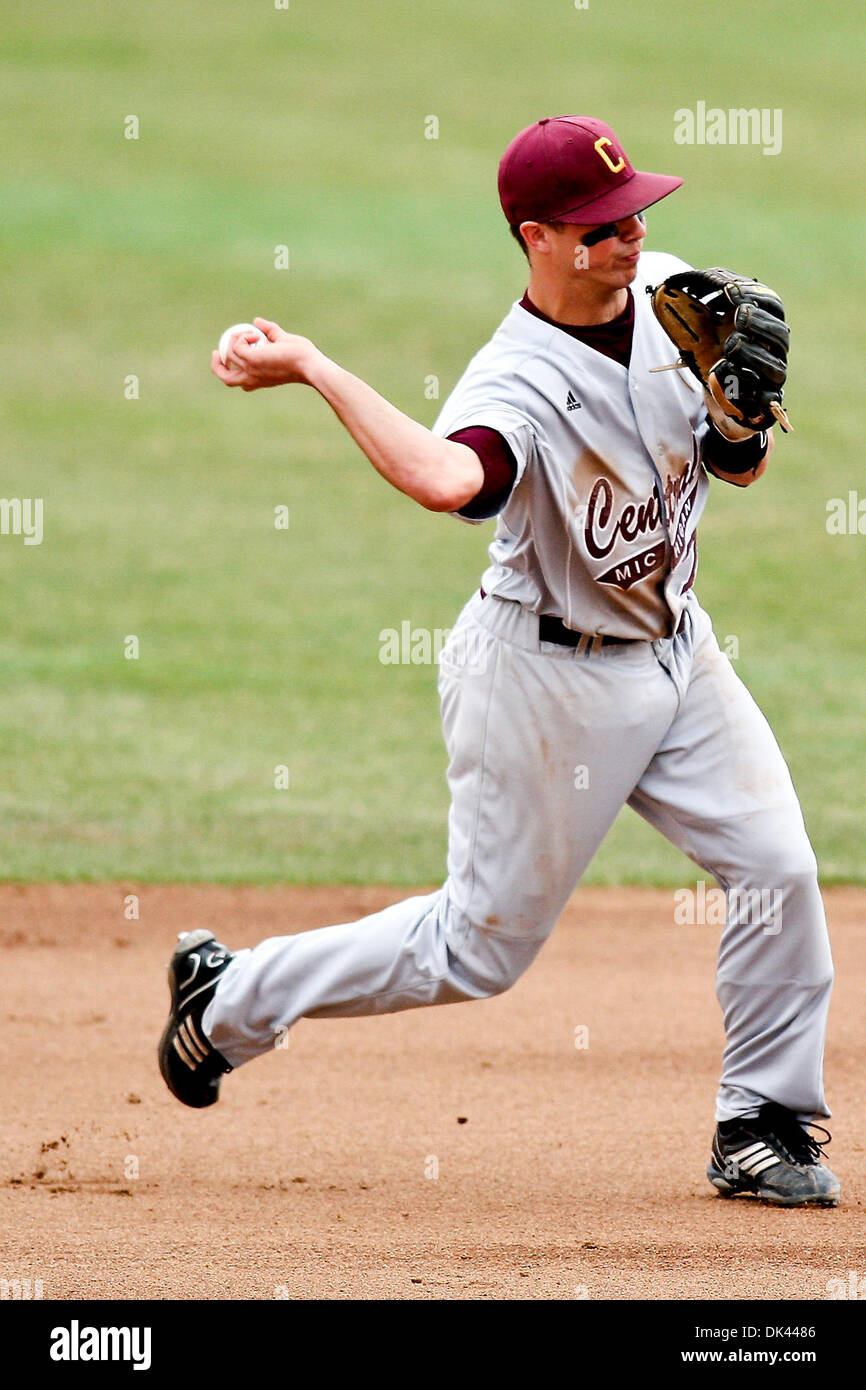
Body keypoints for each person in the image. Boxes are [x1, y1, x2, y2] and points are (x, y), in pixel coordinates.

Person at [159, 115, 839, 1207]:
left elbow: (729, 464)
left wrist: (738, 421)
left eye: (635, 214)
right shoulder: (512, 380)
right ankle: (227, 997)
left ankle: (758, 1121)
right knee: (475, 950)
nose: (633, 235)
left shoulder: (671, 298)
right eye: (602, 226)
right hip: (542, 679)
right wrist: (314, 366)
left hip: (677, 649)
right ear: (536, 238)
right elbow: (445, 480)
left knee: (777, 871)